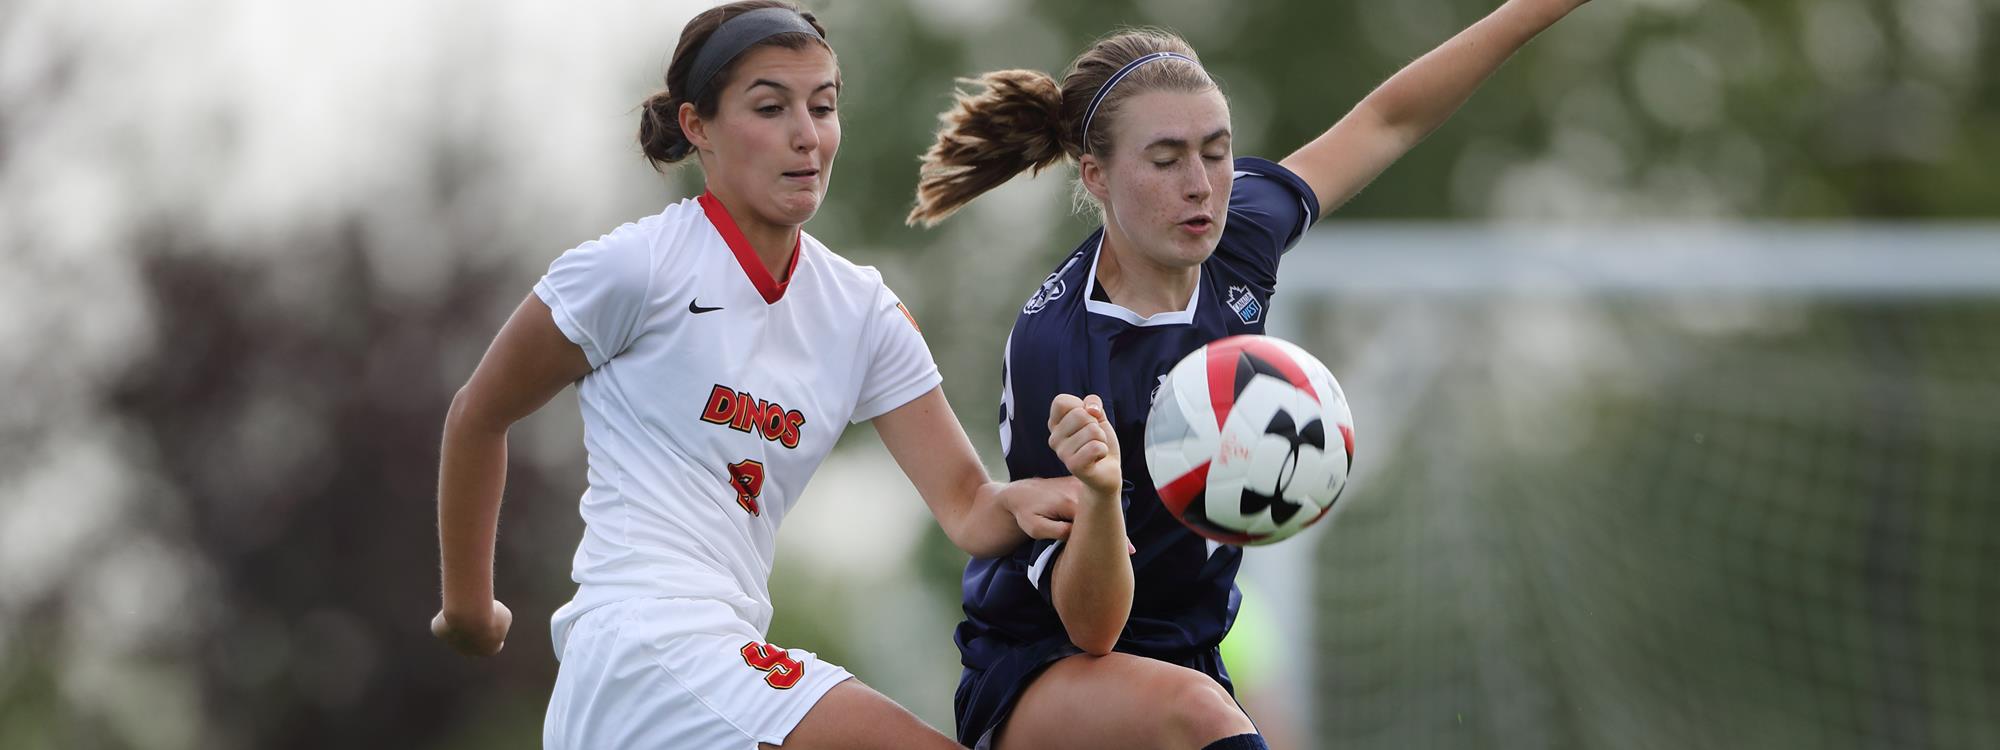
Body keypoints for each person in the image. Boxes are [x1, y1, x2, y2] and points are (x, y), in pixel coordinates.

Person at [907, 2, 1594, 748]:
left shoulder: (1237, 235)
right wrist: (1101, 495)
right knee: (1205, 718)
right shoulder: (1062, 352)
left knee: (1206, 706)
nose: (1201, 185)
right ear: (1096, 176)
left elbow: (1386, 121)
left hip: (1189, 654)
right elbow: (1091, 627)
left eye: (1217, 151)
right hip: (1045, 668)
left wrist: (1530, 11)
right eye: (1166, 160)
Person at [428, 3, 1099, 748]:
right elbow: (478, 414)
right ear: (698, 126)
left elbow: (968, 505)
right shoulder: (632, 269)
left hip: (717, 666)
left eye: (823, 107)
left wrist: (1039, 499)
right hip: (641, 652)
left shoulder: (863, 312)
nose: (806, 135)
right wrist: (469, 610)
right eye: (771, 108)